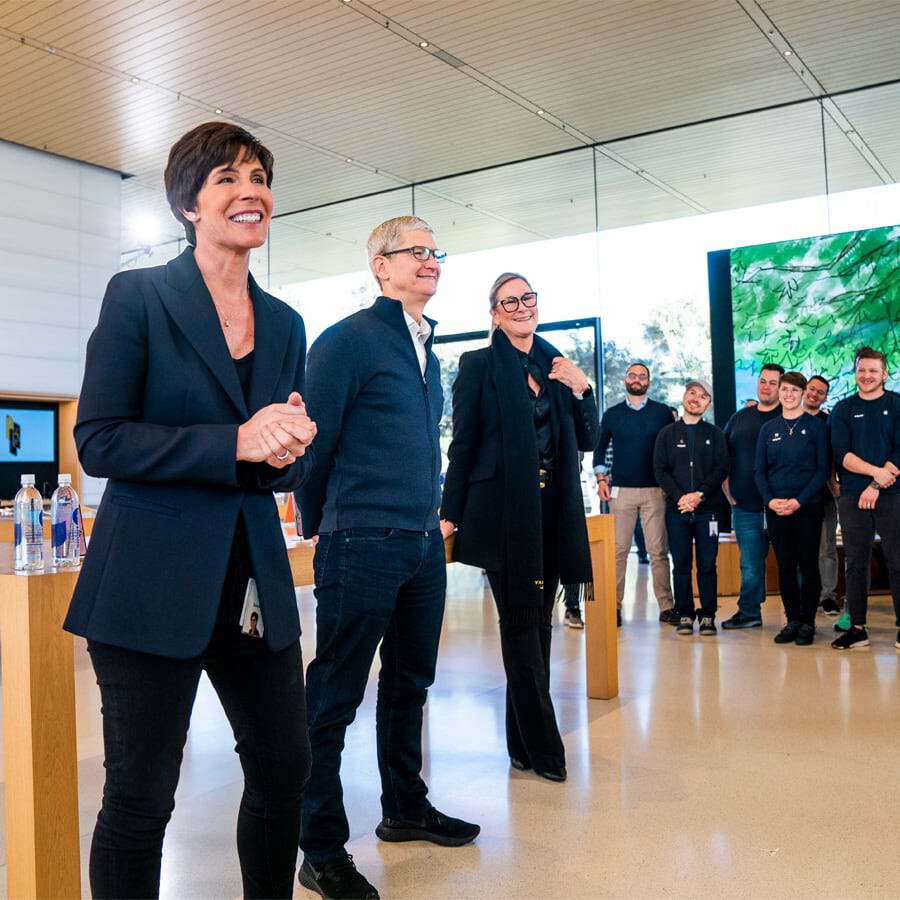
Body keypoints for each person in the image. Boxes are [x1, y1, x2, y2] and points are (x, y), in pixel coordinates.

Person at [63, 122, 316, 898]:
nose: (251, 192)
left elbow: (265, 462)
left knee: (284, 775)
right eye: (228, 180)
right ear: (188, 205)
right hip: (148, 587)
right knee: (140, 800)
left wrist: (283, 448)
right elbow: (99, 441)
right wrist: (234, 441)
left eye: (260, 177)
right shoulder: (139, 296)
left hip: (251, 590)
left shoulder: (285, 323)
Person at [296, 216, 478, 900]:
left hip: (420, 541)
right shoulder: (347, 341)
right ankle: (319, 846)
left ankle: (404, 808)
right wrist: (322, 525)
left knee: (410, 683)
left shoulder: (426, 350)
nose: (431, 261)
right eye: (417, 252)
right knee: (335, 696)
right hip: (361, 539)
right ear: (381, 265)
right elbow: (315, 441)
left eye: (437, 252)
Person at [441, 272, 599, 782]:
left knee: (541, 627)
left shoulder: (556, 368)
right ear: (494, 313)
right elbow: (462, 445)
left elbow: (588, 438)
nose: (520, 307)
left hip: (553, 511)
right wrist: (450, 513)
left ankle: (520, 745)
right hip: (503, 515)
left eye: (527, 298)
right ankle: (545, 746)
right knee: (521, 628)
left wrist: (584, 388)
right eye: (509, 301)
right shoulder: (479, 365)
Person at [592, 362, 676, 626]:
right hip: (621, 492)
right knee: (618, 552)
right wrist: (601, 479)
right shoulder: (613, 414)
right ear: (625, 380)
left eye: (642, 376)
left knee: (658, 551)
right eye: (632, 375)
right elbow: (599, 447)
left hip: (655, 491)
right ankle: (613, 607)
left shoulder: (662, 413)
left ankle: (667, 606)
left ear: (648, 383)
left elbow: (670, 450)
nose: (637, 379)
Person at [829, 347, 900, 650]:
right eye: (862, 370)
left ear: (885, 373)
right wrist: (874, 478)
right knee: (856, 562)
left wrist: (878, 484)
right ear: (855, 373)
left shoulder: (896, 404)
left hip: (892, 492)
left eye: (873, 370)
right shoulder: (843, 409)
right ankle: (857, 627)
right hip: (853, 496)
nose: (867, 375)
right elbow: (842, 455)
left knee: (898, 560)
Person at [755, 372, 829, 645]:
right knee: (785, 566)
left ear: (802, 394)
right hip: (776, 508)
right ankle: (792, 620)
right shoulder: (768, 428)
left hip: (807, 506)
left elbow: (822, 470)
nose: (788, 395)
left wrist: (799, 500)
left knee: (808, 564)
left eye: (794, 391)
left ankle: (808, 623)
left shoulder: (817, 427)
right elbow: (759, 471)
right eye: (784, 389)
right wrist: (770, 500)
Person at [653, 379, 729, 637]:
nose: (696, 399)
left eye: (703, 396)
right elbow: (660, 470)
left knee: (708, 564)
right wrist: (680, 498)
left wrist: (699, 495)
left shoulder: (715, 434)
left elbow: (721, 468)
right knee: (681, 563)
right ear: (685, 396)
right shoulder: (667, 434)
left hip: (709, 511)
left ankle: (708, 615)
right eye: (692, 393)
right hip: (677, 511)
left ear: (708, 405)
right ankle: (685, 613)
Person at [721, 363, 784, 629]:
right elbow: (723, 455)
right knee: (749, 564)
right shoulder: (739, 418)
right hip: (745, 505)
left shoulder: (789, 417)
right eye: (762, 381)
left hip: (782, 506)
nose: (766, 386)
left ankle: (800, 616)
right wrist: (725, 485)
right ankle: (749, 612)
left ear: (782, 388)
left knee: (791, 563)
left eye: (772, 382)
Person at [803, 375, 841, 616]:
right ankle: (803, 595)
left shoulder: (829, 422)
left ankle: (827, 596)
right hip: (795, 497)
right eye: (812, 389)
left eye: (820, 392)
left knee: (827, 547)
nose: (814, 394)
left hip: (825, 495)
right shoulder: (788, 418)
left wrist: (835, 486)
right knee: (800, 548)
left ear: (825, 397)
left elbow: (835, 457)